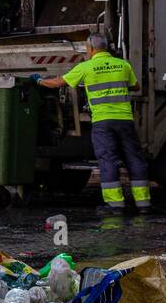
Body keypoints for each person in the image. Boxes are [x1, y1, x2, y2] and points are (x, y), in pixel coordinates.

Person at [37, 33, 150, 211]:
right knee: (134, 159)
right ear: (106, 47)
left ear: (90, 48)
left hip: (103, 123)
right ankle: (143, 203)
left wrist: (39, 81)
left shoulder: (86, 67)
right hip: (125, 120)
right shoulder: (123, 65)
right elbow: (135, 86)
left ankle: (115, 204)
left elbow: (59, 83)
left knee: (108, 160)